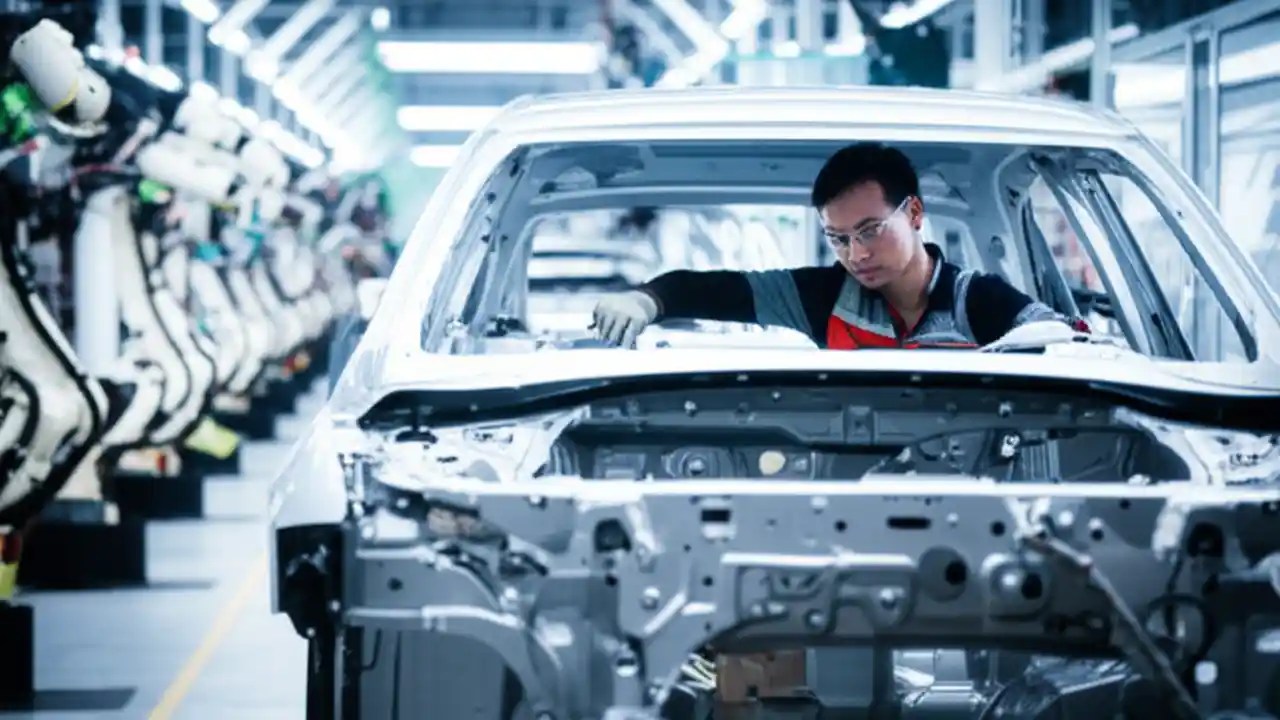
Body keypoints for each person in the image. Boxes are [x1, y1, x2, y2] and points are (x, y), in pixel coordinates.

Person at [591, 142, 1078, 349]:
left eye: (869, 230)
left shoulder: (982, 302)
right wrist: (646, 298)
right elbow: (718, 291)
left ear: (912, 214)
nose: (856, 254)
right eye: (838, 239)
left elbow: (1063, 344)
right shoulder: (825, 298)